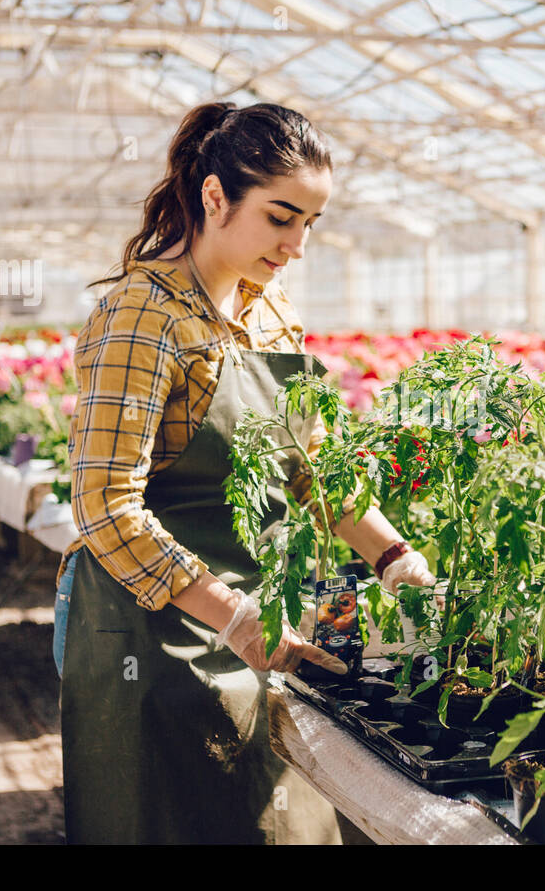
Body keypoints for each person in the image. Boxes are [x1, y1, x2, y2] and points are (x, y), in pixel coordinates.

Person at [53, 101, 435, 844]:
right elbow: (104, 505)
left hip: (263, 629)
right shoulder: (144, 316)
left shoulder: (273, 317)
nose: (295, 244)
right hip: (151, 640)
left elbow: (311, 470)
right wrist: (230, 613)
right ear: (215, 197)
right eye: (280, 217)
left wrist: (393, 556)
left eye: (309, 225)